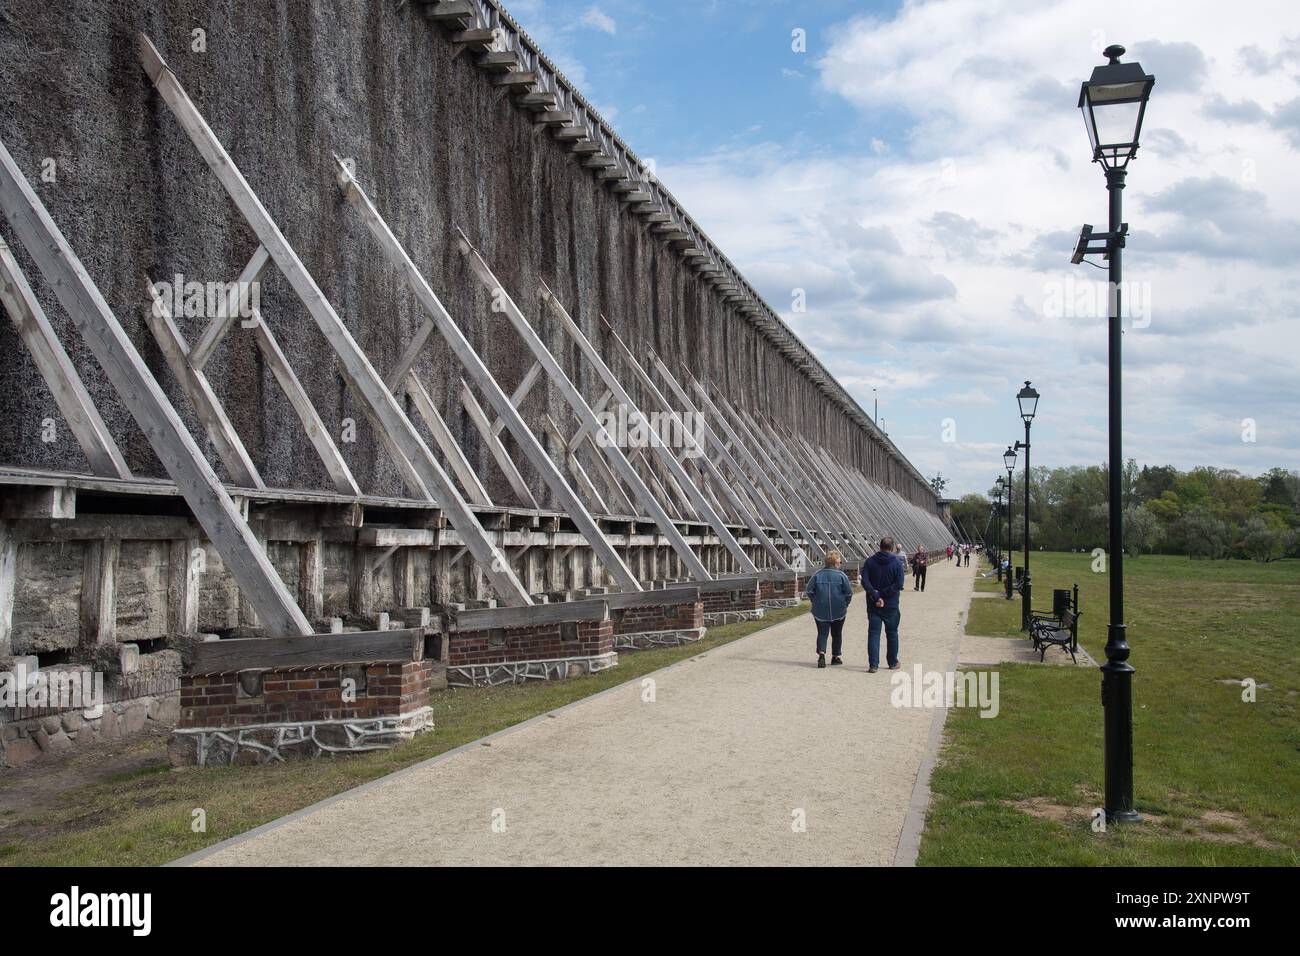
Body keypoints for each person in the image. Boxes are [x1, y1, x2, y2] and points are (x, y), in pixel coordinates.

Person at [861, 536, 904, 673]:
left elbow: (865, 581)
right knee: (892, 633)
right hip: (891, 604)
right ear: (892, 548)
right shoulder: (897, 563)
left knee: (873, 634)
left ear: (879, 547)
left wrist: (876, 595)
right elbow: (899, 584)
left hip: (874, 604)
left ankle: (873, 664)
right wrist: (884, 594)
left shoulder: (870, 562)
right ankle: (892, 662)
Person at [804, 549, 853, 669]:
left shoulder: (817, 575)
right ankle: (835, 656)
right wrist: (845, 604)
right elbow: (849, 593)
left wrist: (815, 601)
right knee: (837, 634)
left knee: (822, 633)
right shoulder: (842, 576)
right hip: (838, 609)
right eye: (839, 562)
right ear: (836, 563)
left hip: (820, 609)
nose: (840, 564)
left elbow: (809, 590)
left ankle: (821, 654)